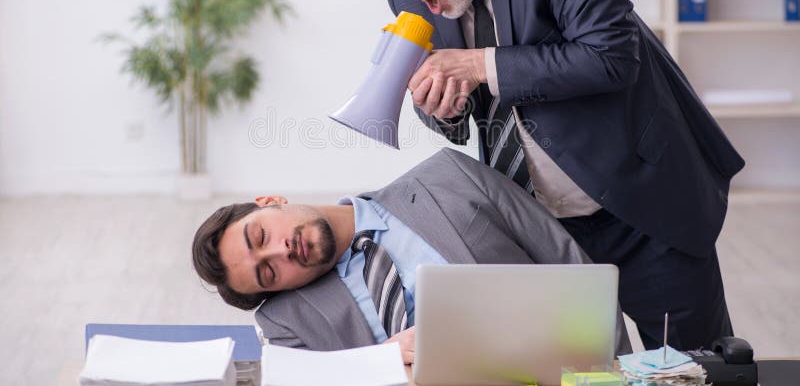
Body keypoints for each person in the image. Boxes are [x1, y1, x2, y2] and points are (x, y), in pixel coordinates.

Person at [370, 0, 744, 350]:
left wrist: (480, 64)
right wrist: (442, 107)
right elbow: (447, 87)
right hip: (542, 227)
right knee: (572, 369)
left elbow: (610, 57)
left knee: (694, 367)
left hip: (642, 202)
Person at [192, 148, 630, 363]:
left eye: (261, 236)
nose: (279, 251)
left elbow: (578, 275)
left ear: (270, 201)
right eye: (268, 273)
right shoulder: (288, 323)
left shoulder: (448, 177)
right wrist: (380, 365)